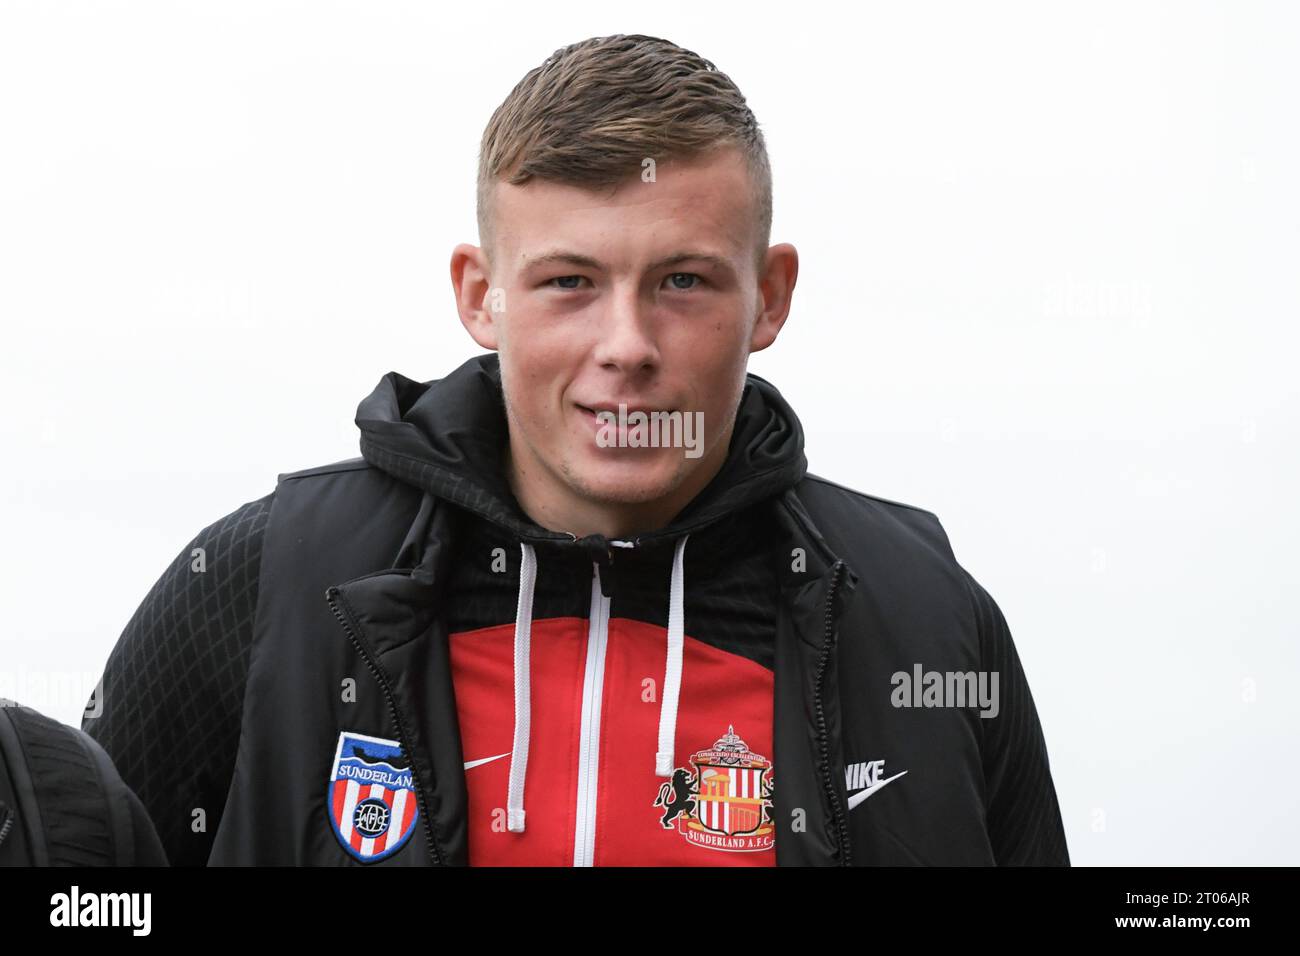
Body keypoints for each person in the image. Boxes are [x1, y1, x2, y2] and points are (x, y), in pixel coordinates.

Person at [82, 33, 1069, 866]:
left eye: (682, 280)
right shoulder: (266, 586)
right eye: (568, 282)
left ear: (769, 294)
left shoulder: (925, 621)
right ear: (480, 294)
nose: (626, 346)